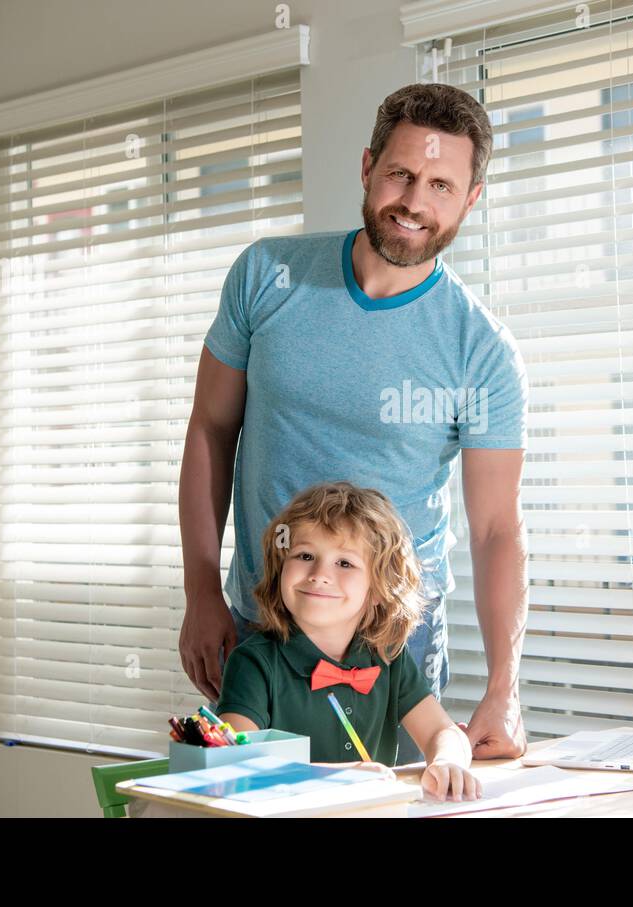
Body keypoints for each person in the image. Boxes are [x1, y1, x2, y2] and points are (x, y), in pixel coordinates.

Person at [180, 82, 530, 765]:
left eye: (441, 184)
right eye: (400, 174)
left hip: (397, 642)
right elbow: (209, 430)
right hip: (264, 622)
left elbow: (496, 531)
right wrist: (199, 590)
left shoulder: (482, 351)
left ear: (471, 199)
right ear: (368, 167)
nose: (414, 202)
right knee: (245, 804)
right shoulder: (266, 275)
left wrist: (503, 684)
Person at [216, 481, 481, 802]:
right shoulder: (253, 663)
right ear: (279, 569)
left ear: (379, 590)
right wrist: (335, 779)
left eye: (344, 563)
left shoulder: (388, 658)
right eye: (305, 554)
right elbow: (235, 764)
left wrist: (446, 760)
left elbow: (443, 732)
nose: (319, 574)